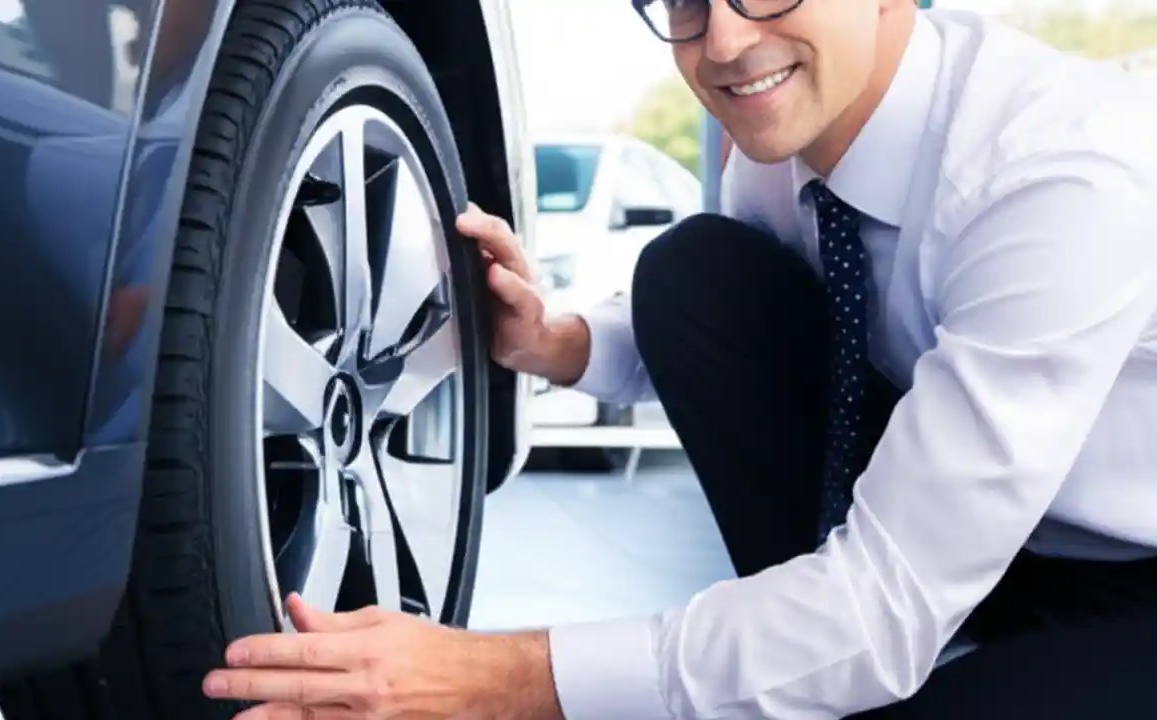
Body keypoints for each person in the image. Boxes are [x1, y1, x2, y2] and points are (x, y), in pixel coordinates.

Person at [200, 0, 1157, 717]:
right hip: (963, 538)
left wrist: (488, 679)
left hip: (1128, 577)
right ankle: (808, 662)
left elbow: (886, 605)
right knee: (689, 274)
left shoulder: (1053, 179)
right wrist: (559, 343)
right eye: (688, 3)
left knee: (875, 650)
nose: (726, 43)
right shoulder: (786, 143)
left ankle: (827, 665)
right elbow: (719, 330)